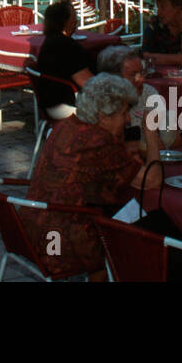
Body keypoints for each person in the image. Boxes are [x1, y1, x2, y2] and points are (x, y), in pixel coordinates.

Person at [27, 74, 163, 280]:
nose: (127, 120)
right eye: (124, 113)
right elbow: (152, 181)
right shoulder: (100, 141)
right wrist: (152, 134)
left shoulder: (66, 125)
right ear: (104, 116)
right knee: (145, 240)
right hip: (57, 244)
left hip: (30, 228)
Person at [96, 45, 181, 148]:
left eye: (142, 73)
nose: (141, 79)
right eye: (133, 75)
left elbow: (174, 143)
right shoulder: (100, 103)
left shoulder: (148, 93)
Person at [31, 0, 93, 118]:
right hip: (66, 104)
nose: (76, 21)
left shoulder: (49, 42)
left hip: (49, 102)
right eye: (74, 17)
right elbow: (88, 83)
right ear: (65, 22)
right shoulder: (67, 46)